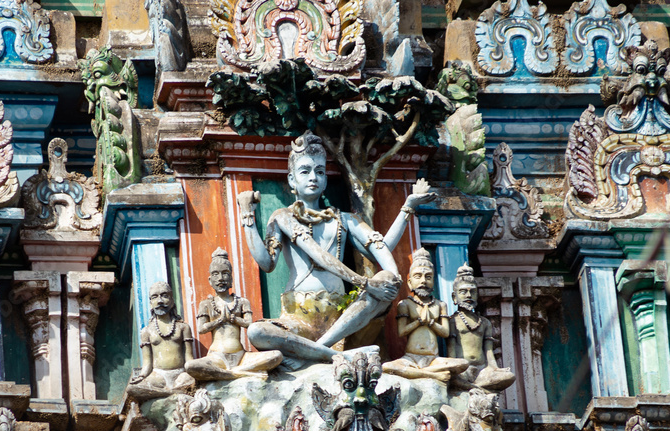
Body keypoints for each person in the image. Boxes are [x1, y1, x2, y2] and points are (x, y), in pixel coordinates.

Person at [240, 131, 434, 368]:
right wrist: (247, 215)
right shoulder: (283, 217)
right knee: (257, 331)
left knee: (385, 281)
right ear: (291, 180)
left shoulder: (344, 219)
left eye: (319, 171)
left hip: (341, 319)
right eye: (305, 171)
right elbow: (266, 264)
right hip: (297, 317)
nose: (313, 177)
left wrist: (407, 209)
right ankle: (330, 355)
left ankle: (314, 352)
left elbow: (381, 248)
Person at [185, 248, 283, 381]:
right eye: (216, 274)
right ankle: (238, 374)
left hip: (241, 356)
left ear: (231, 277)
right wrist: (218, 321)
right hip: (216, 357)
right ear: (210, 280)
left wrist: (234, 319)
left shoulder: (242, 302)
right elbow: (201, 329)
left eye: (225, 273)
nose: (221, 278)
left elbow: (249, 324)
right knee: (190, 366)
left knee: (276, 356)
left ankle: (236, 371)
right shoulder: (206, 304)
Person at [382, 248, 468, 383]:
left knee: (462, 364)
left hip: (434, 360)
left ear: (433, 281)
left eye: (428, 277)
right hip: (411, 357)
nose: (423, 281)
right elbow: (401, 332)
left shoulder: (440, 305)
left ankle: (421, 373)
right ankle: (432, 375)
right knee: (387, 367)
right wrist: (419, 322)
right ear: (410, 283)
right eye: (418, 276)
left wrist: (431, 323)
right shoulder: (405, 304)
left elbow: (445, 332)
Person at [447, 264, 515, 391]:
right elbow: (451, 351)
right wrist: (454, 370)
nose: (468, 295)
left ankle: (474, 387)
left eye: (472, 291)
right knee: (452, 377)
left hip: (483, 370)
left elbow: (489, 352)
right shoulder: (452, 321)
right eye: (463, 292)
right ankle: (473, 387)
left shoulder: (484, 323)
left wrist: (494, 369)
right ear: (454, 297)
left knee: (509, 376)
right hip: (463, 370)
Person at [127, 282, 196, 401]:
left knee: (192, 381)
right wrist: (142, 376)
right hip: (158, 376)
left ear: (172, 300)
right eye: (155, 297)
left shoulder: (183, 328)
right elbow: (147, 362)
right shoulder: (147, 331)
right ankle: (170, 393)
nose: (159, 301)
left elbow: (189, 358)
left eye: (164, 296)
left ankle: (166, 393)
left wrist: (193, 373)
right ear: (150, 303)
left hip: (180, 374)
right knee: (132, 389)